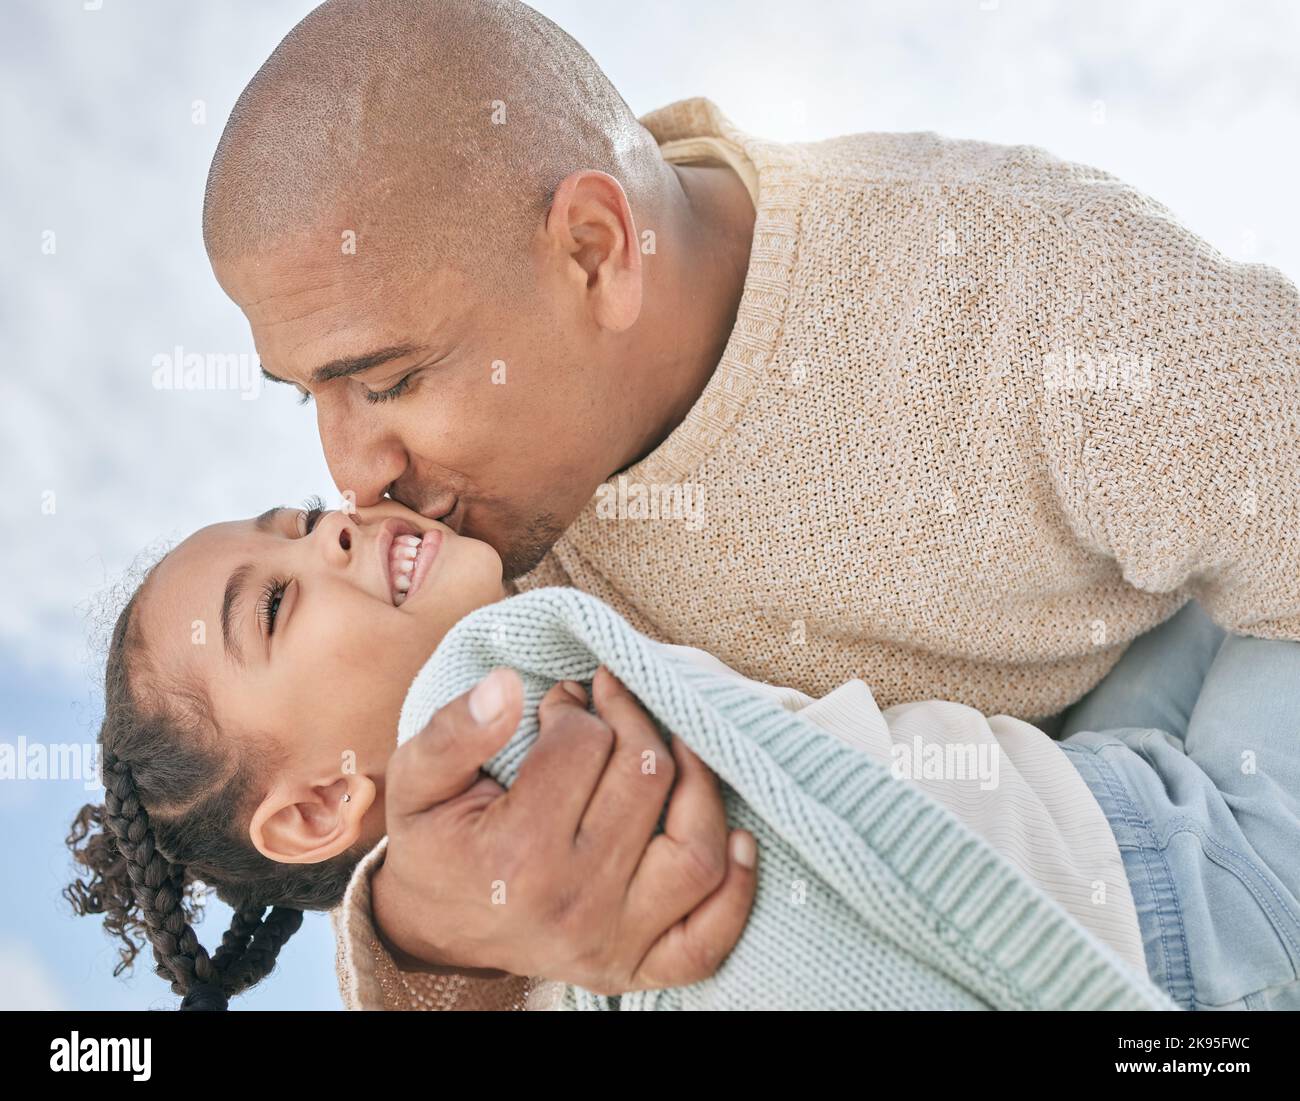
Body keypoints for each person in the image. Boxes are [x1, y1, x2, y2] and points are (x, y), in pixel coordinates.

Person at [201, 0, 1300, 1004]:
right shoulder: (480, 553)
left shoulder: (1050, 300)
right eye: (309, 395)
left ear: (593, 253)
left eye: (386, 381)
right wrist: (422, 929)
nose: (350, 475)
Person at [67, 501, 1300, 1009]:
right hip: (1188, 915)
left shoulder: (556, 635)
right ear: (323, 805)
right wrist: (404, 928)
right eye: (273, 605)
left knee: (1233, 548)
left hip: (1090, 780)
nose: (333, 525)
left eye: (297, 518)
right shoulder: (512, 916)